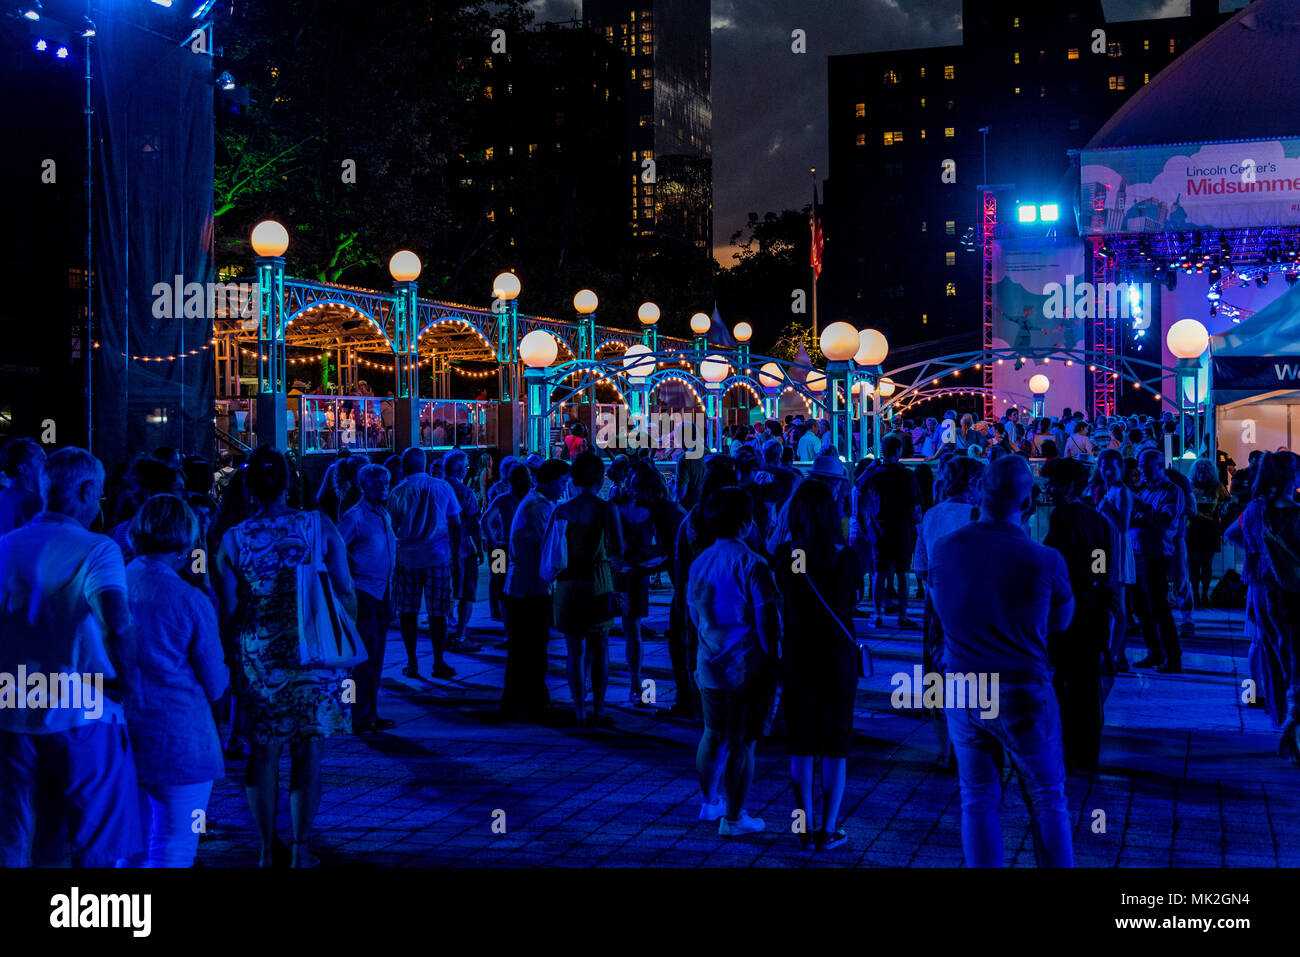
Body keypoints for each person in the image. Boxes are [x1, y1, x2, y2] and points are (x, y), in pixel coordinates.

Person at [929, 455, 1075, 867]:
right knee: (1048, 798)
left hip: (963, 686)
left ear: (981, 493)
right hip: (1021, 690)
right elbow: (1061, 622)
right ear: (1028, 502)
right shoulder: (1045, 559)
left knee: (976, 798)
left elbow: (941, 609)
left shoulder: (945, 549)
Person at [214, 446, 356, 868]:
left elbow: (229, 608)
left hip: (260, 653)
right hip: (314, 651)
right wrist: (345, 645)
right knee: (309, 748)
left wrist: (232, 660)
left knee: (263, 750)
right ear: (290, 482)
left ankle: (263, 848)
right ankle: (301, 848)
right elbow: (346, 590)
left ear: (249, 487)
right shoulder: (318, 525)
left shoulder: (234, 538)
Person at [0, 447, 142, 867]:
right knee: (91, 841)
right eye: (97, 495)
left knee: (16, 834)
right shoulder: (98, 550)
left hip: (11, 711)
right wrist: (129, 686)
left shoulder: (5, 546)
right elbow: (117, 623)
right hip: (82, 710)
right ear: (86, 490)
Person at [124, 494, 229, 866]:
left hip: (120, 733)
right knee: (175, 846)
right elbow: (215, 681)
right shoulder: (189, 598)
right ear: (185, 537)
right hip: (180, 735)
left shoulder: (110, 586)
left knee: (129, 848)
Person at [772, 481, 860, 850]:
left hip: (797, 654)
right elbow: (852, 602)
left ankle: (803, 827)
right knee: (835, 744)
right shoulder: (846, 557)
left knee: (802, 742)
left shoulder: (784, 555)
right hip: (838, 657)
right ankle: (828, 827)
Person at [688, 486, 781, 836]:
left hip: (709, 660)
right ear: (746, 522)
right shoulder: (754, 564)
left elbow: (694, 617)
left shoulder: (700, 562)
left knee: (713, 733)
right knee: (743, 741)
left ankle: (709, 802)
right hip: (747, 664)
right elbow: (766, 621)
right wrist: (775, 661)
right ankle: (735, 815)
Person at [1042, 457, 1113, 773]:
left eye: (1054, 484)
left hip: (1067, 610)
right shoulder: (1097, 520)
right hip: (1092, 608)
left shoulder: (1062, 517)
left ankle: (1068, 748)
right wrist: (1094, 586)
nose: (1049, 489)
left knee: (1063, 680)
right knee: (1087, 682)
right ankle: (1087, 751)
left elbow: (1055, 564)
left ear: (1068, 485)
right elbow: (1100, 565)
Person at [913, 455, 982, 766]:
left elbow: (921, 568)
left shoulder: (931, 515)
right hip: (973, 606)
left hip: (937, 605)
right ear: (973, 483)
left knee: (937, 676)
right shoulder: (978, 515)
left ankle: (945, 750)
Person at [1226, 452, 1298, 733]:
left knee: (1268, 650)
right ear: (1291, 477)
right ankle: (1293, 726)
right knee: (1293, 658)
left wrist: (1257, 553)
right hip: (1289, 591)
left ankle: (1277, 715)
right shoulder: (1294, 512)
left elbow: (1231, 533)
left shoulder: (1256, 509)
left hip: (1260, 586)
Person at [551, 453, 623, 727]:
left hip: (568, 583)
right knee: (600, 646)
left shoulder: (561, 509)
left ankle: (579, 707)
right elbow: (620, 548)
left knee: (574, 649)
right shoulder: (606, 509)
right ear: (600, 477)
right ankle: (599, 709)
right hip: (597, 579)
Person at [501, 459, 570, 721]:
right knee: (531, 646)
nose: (563, 488)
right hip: (529, 588)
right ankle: (530, 701)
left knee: (527, 647)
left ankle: (521, 699)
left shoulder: (537, 503)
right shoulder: (537, 506)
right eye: (561, 483)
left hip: (526, 586)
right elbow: (549, 547)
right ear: (550, 481)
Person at [387, 448, 462, 680]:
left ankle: (412, 662)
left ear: (404, 466)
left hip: (408, 557)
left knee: (408, 612)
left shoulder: (398, 492)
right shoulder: (443, 487)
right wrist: (457, 554)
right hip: (437, 555)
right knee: (438, 612)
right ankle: (439, 661)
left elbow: (392, 526)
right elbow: (456, 523)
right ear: (424, 463)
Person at [338, 464, 397, 733]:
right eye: (376, 484)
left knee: (375, 657)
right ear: (363, 486)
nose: (382, 487)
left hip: (382, 591)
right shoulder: (356, 516)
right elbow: (337, 549)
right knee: (361, 659)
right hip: (363, 592)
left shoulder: (382, 514)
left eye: (385, 483)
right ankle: (357, 714)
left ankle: (370, 712)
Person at [857, 435, 921, 629]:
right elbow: (914, 506)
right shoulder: (907, 474)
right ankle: (902, 616)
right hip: (902, 528)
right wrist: (918, 523)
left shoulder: (876, 473)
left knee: (880, 573)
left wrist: (871, 466)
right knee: (902, 574)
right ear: (899, 450)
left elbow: (858, 485)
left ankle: (877, 616)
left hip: (879, 529)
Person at [1129, 449, 1183, 673]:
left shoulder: (1172, 492)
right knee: (1140, 608)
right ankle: (1154, 651)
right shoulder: (1144, 491)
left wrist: (1138, 504)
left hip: (1156, 557)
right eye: (1140, 466)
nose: (1142, 470)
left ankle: (1172, 657)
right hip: (1137, 556)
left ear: (1160, 467)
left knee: (1159, 608)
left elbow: (1162, 520)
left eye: (1147, 467)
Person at [443, 450, 484, 653]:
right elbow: (473, 523)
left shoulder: (436, 489)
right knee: (466, 592)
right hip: (461, 548)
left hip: (439, 548)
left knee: (443, 593)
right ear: (460, 470)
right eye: (466, 467)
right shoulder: (465, 493)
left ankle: (442, 634)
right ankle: (460, 636)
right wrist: (481, 548)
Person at [483, 463, 530, 626]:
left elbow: (485, 520)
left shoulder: (503, 498)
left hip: (502, 545)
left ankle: (500, 615)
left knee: (498, 580)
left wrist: (493, 541)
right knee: (510, 582)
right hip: (519, 547)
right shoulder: (530, 498)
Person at [0, 437, 45, 535]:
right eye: (42, 459)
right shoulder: (36, 503)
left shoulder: (2, 497)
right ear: (23, 469)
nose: (47, 464)